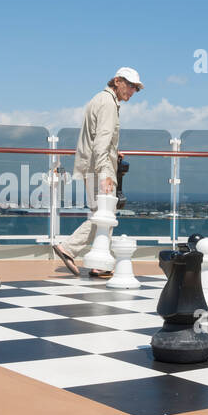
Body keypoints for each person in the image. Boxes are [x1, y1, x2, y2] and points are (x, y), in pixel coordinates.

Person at [53, 68, 143, 276]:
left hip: (92, 164)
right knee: (105, 214)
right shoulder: (109, 104)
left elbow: (99, 138)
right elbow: (101, 140)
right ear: (117, 81)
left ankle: (98, 262)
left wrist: (113, 150)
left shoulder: (100, 99)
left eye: (136, 88)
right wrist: (105, 174)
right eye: (130, 85)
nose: (132, 91)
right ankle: (69, 248)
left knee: (102, 213)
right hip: (99, 167)